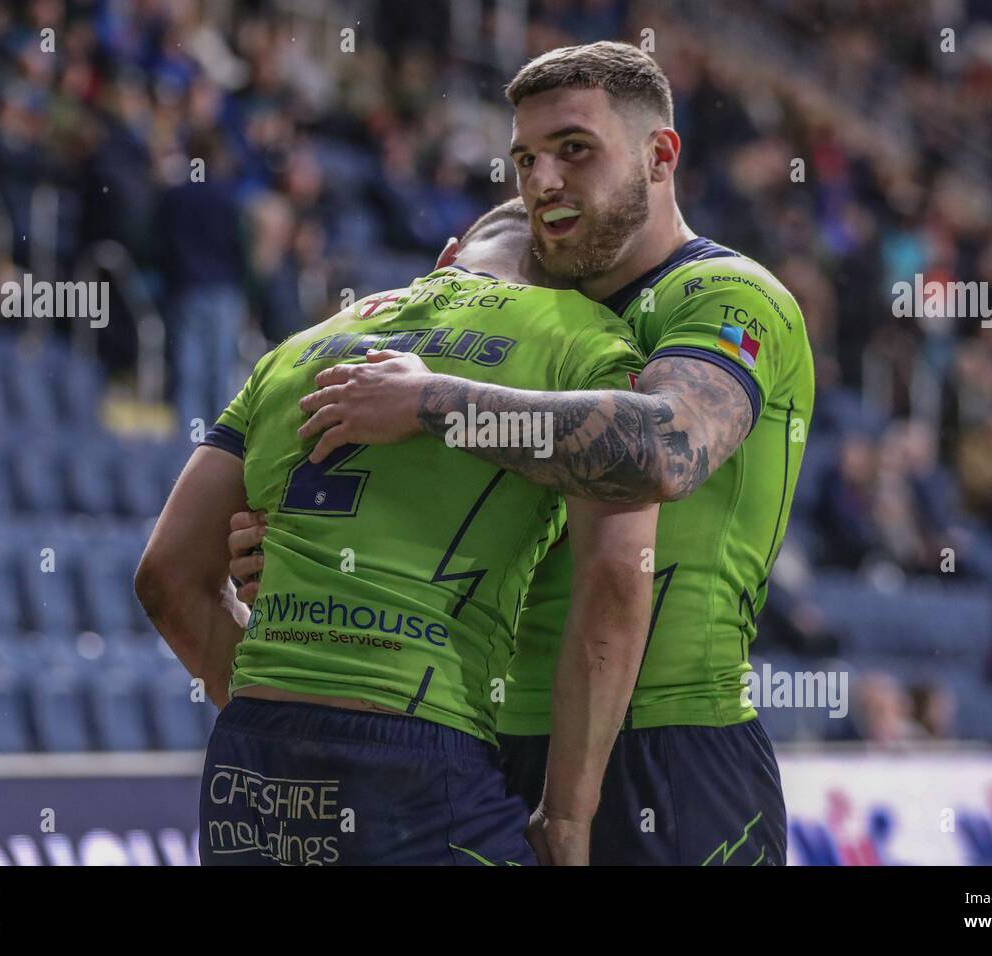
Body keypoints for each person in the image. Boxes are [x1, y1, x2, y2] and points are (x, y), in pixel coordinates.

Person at [263, 41, 817, 865]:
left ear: (661, 156)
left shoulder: (728, 296)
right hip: (495, 745)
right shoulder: (535, 325)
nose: (541, 182)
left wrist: (427, 402)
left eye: (574, 149)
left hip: (671, 748)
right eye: (524, 158)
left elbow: (663, 450)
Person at [135, 199, 658, 866]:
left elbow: (166, 576)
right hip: (414, 751)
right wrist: (565, 818)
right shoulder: (586, 342)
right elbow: (616, 572)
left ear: (445, 257)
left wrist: (279, 703)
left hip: (250, 764)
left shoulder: (296, 348)